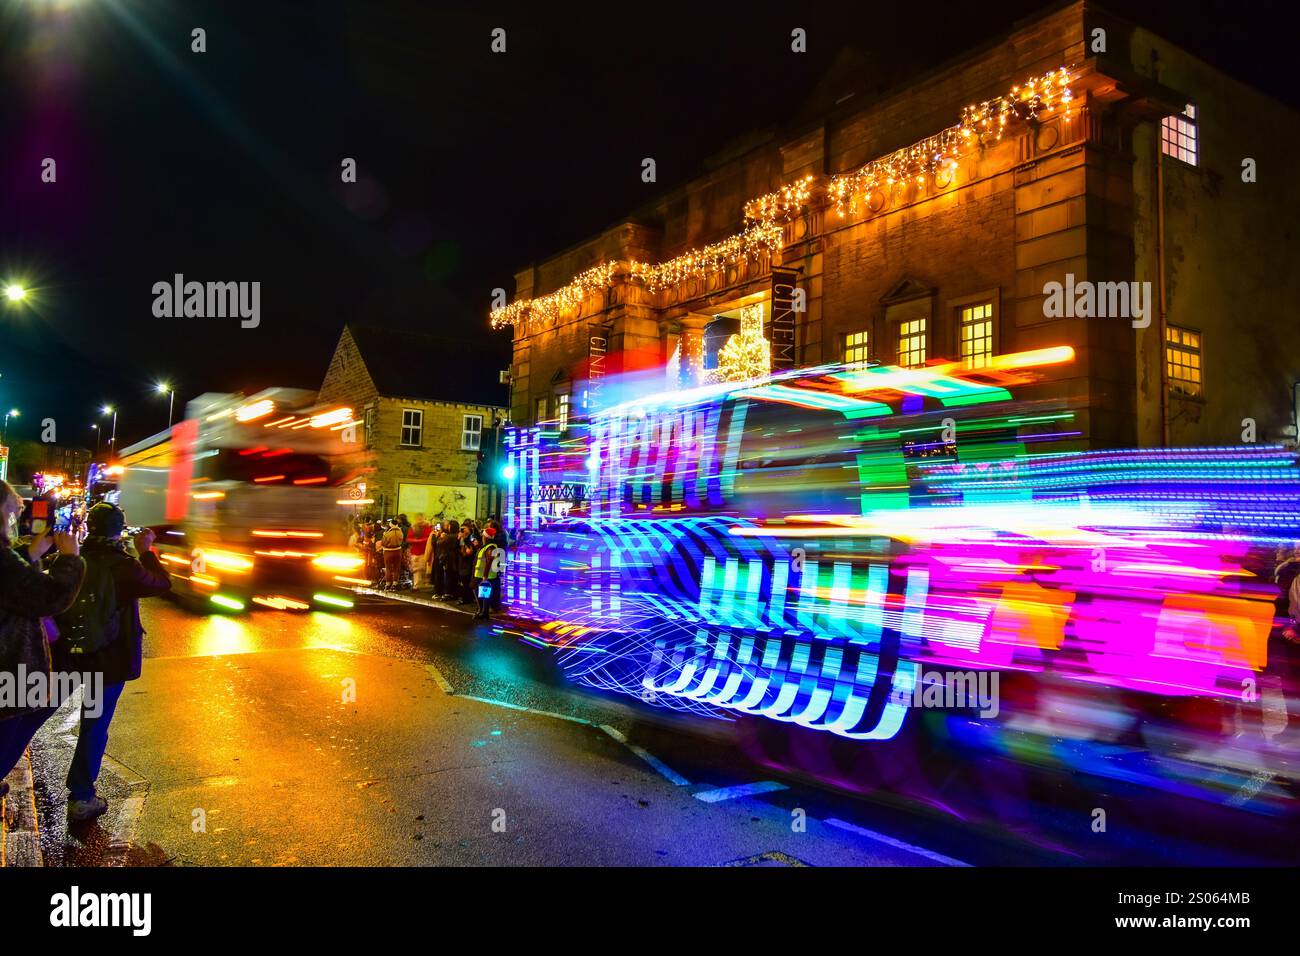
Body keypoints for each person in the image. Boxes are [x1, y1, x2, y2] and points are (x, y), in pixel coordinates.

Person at [51, 502, 170, 822]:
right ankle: (81, 796)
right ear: (119, 530)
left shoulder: (75, 558)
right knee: (94, 725)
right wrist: (145, 551)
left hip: (69, 653)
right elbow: (161, 583)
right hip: (109, 659)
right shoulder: (124, 565)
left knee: (32, 712)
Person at [0, 481, 85, 801]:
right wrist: (70, 558)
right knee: (16, 727)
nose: (13, 518)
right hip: (8, 668)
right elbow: (48, 596)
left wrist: (29, 553)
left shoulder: (8, 556)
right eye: (10, 510)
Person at [473, 525, 505, 621]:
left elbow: (489, 561)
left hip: (485, 576)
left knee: (483, 595)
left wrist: (485, 576)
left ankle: (484, 612)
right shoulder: (488, 547)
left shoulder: (490, 547)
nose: (482, 537)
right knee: (483, 594)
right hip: (483, 575)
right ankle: (483, 612)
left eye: (483, 536)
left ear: (486, 537)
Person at [408, 514, 432, 589]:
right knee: (417, 569)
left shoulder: (427, 527)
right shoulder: (414, 528)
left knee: (422, 568)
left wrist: (417, 541)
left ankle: (421, 583)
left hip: (423, 551)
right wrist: (420, 540)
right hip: (418, 551)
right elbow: (408, 539)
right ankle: (418, 584)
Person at [380, 519, 404, 590]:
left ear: (391, 525)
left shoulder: (386, 533)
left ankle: (388, 584)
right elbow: (402, 540)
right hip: (398, 551)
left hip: (388, 552)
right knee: (396, 568)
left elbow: (383, 543)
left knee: (388, 568)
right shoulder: (400, 532)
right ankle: (395, 584)